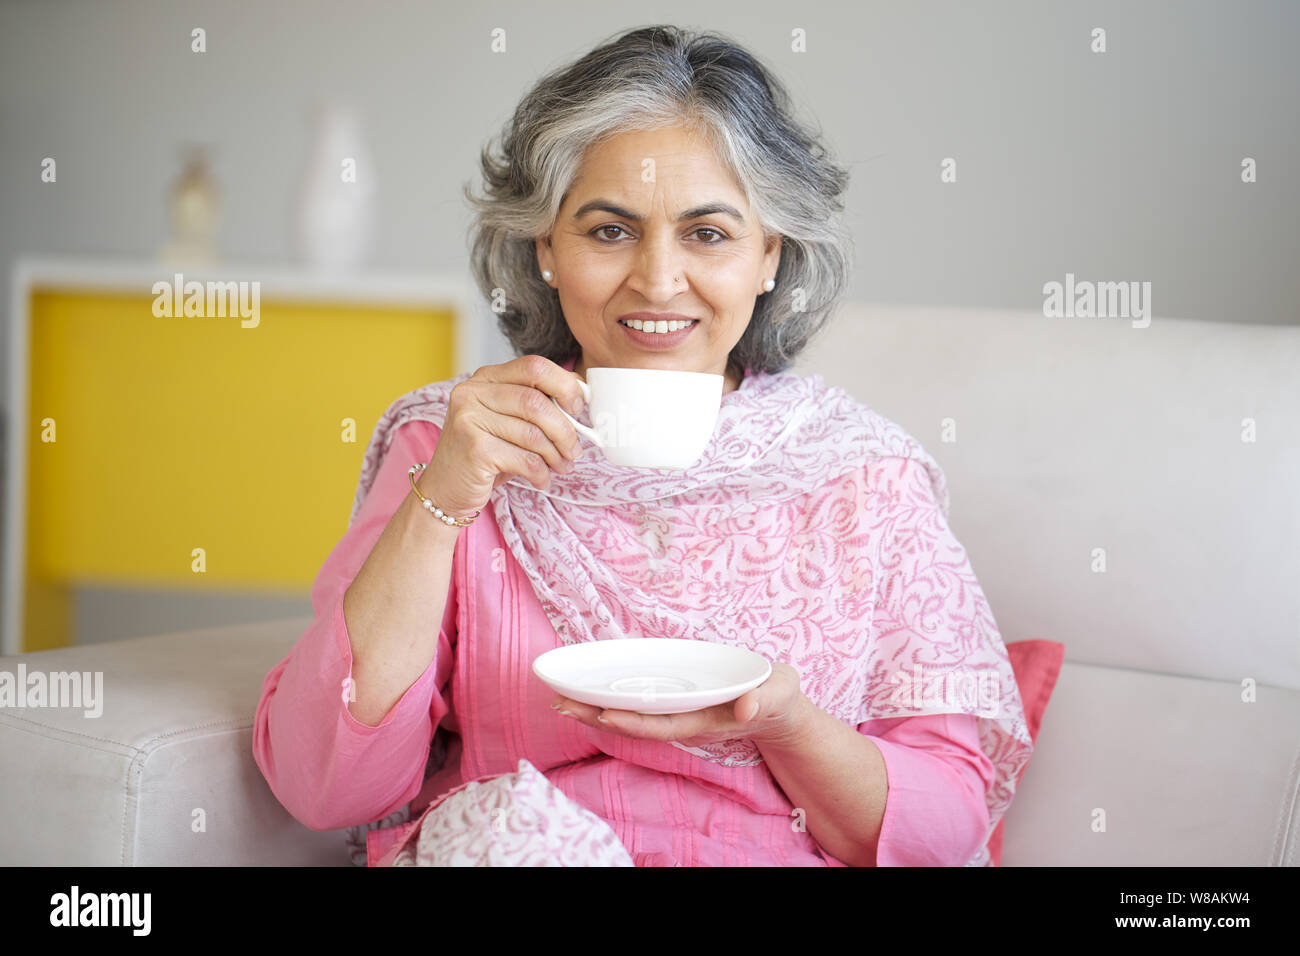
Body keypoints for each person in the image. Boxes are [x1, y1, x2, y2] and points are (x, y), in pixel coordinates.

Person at [252, 24, 1033, 867]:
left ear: (770, 254)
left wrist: (785, 725)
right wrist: (443, 497)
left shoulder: (862, 474)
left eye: (708, 234)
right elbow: (323, 786)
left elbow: (946, 830)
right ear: (545, 247)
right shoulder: (454, 440)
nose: (658, 281)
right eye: (610, 231)